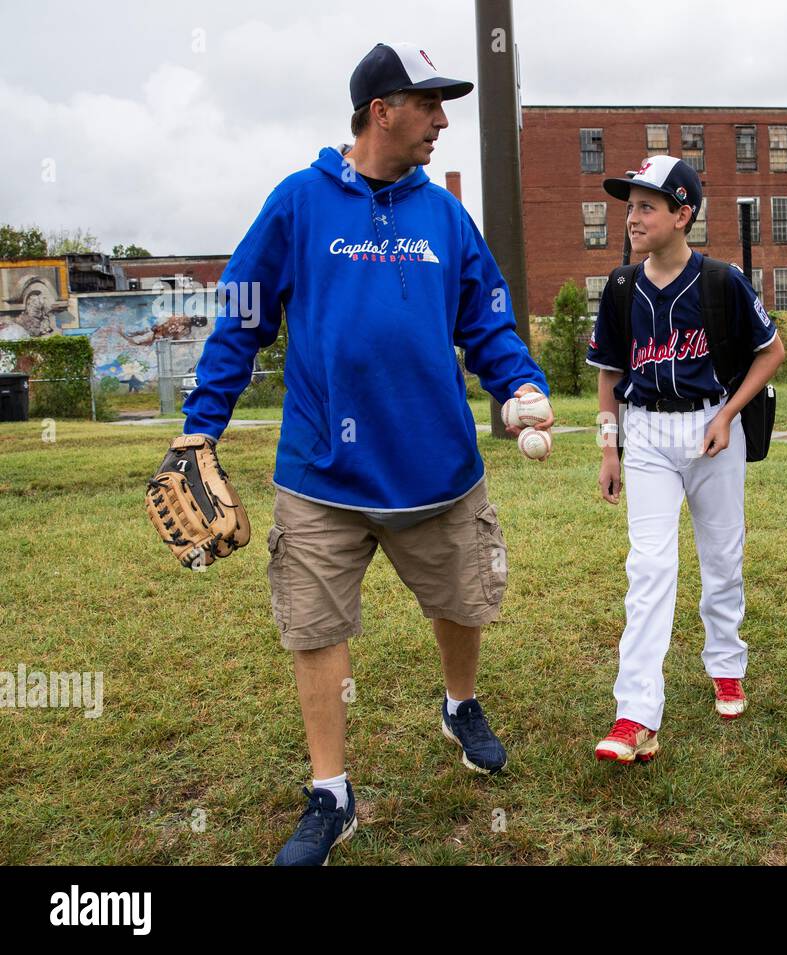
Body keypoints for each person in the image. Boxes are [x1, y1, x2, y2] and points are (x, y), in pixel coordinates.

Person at [178, 42, 553, 865]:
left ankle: (460, 702)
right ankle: (331, 793)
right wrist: (200, 424)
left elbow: (485, 316)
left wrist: (518, 381)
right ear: (381, 110)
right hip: (322, 473)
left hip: (437, 467)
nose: (443, 120)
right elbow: (243, 312)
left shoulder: (445, 216)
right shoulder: (299, 204)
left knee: (462, 599)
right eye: (430, 105)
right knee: (315, 627)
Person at [586, 155, 785, 763]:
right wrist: (608, 446)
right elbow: (609, 375)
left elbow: (771, 352)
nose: (633, 216)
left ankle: (726, 665)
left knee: (721, 558)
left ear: (683, 214)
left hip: (712, 429)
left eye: (648, 205)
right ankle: (635, 714)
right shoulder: (621, 287)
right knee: (649, 568)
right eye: (631, 205)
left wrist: (727, 416)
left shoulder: (721, 280)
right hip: (645, 433)